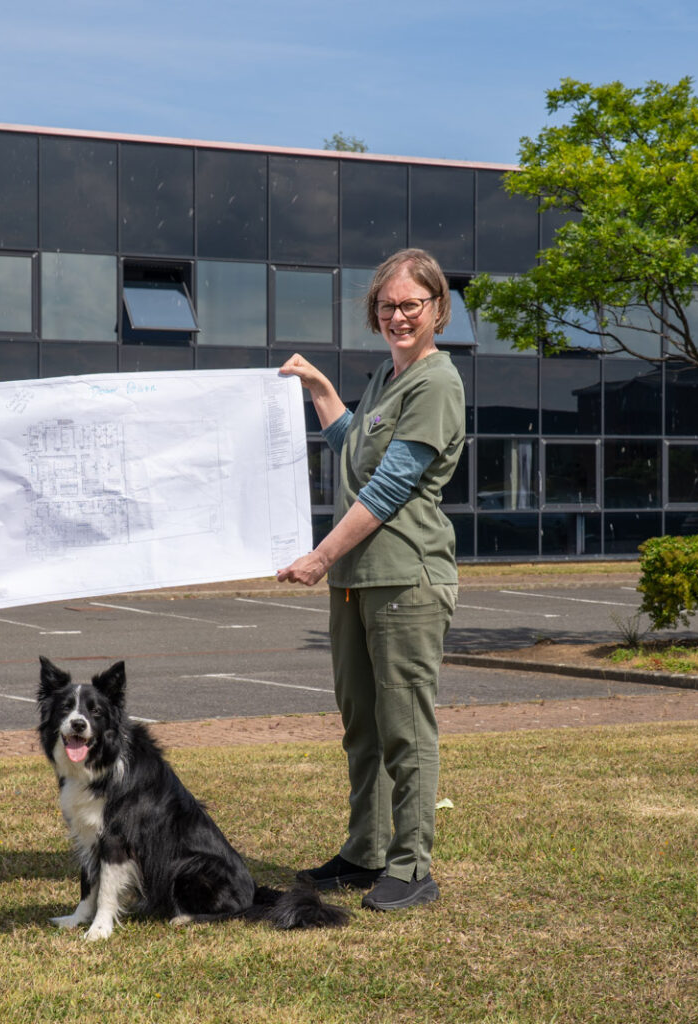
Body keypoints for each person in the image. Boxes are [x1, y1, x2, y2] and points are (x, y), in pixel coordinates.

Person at [276, 248, 465, 913]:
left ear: (438, 308)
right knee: (361, 723)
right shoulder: (389, 379)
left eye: (411, 304)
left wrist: (320, 555)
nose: (397, 316)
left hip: (405, 580)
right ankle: (366, 850)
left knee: (404, 728)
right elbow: (355, 450)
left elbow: (388, 487)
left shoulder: (437, 382)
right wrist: (322, 390)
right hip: (358, 581)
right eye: (386, 306)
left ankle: (412, 866)